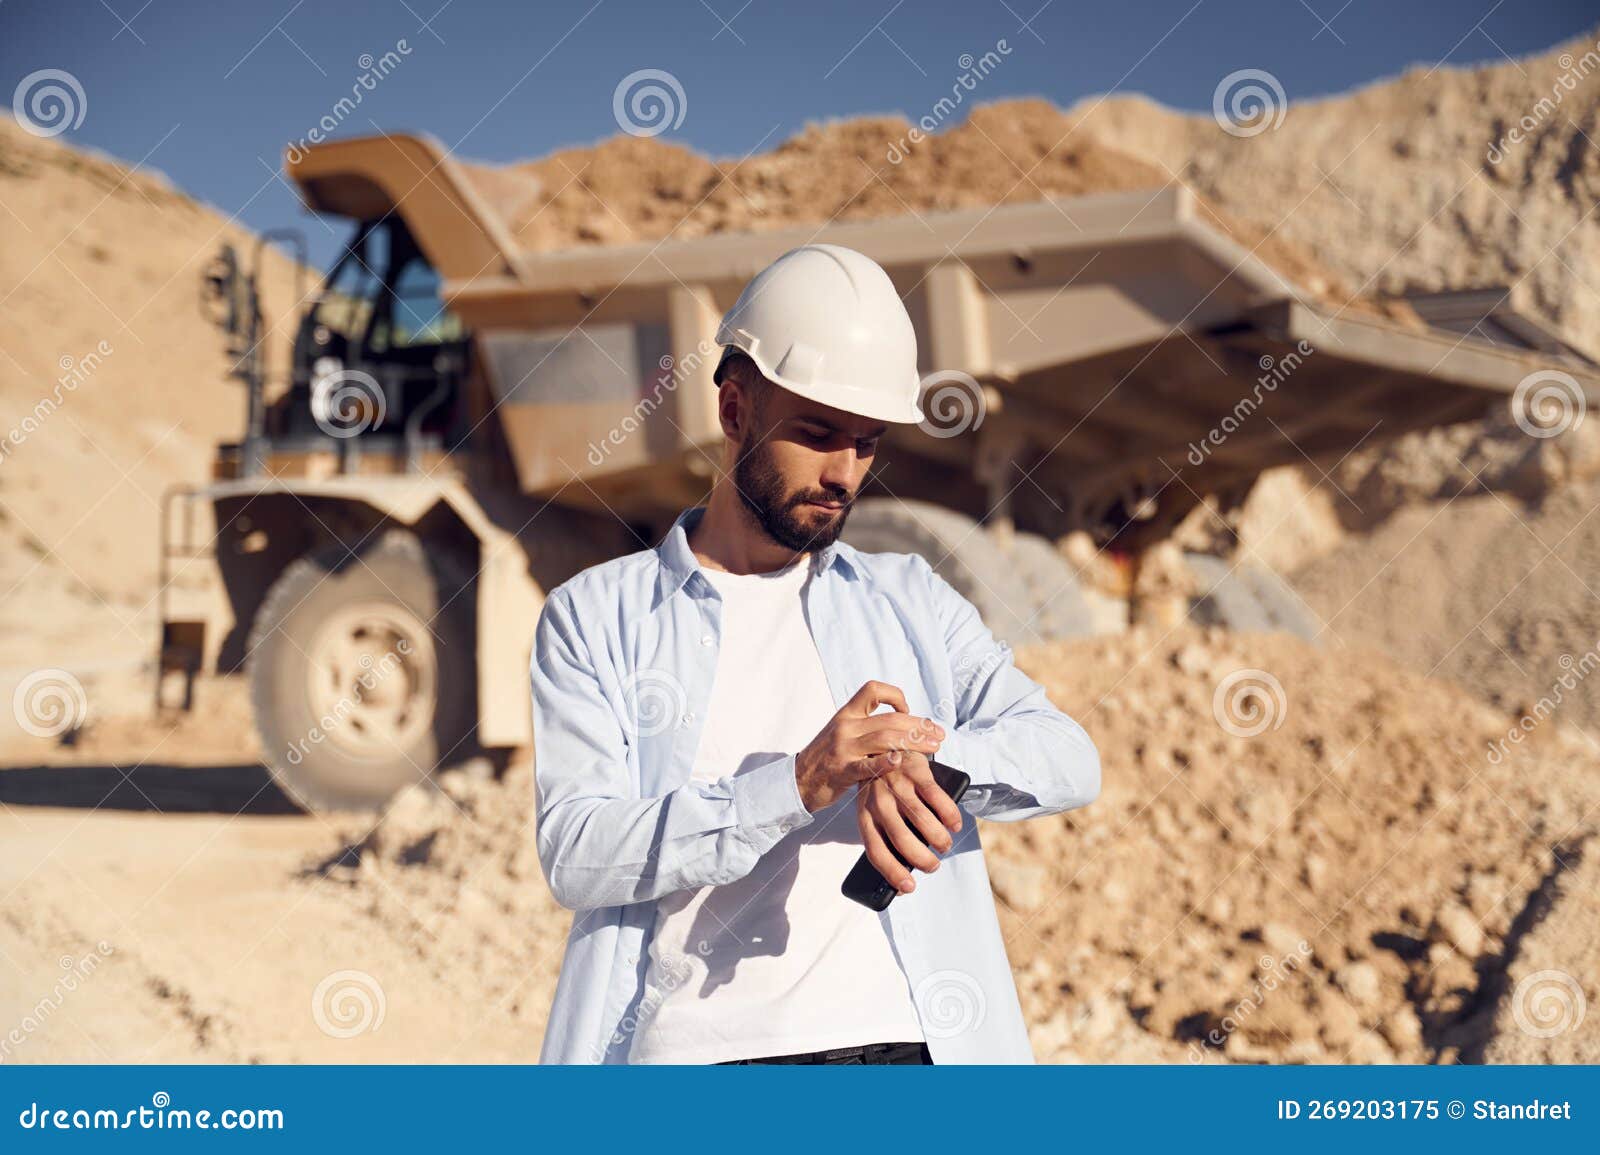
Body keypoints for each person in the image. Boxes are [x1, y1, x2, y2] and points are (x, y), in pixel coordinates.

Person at [530, 243, 1101, 1065]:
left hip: (906, 1047)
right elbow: (577, 853)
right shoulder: (594, 617)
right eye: (819, 433)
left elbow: (1070, 757)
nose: (844, 472)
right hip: (701, 1057)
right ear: (734, 413)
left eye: (867, 442)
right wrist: (796, 783)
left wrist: (925, 751)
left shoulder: (911, 598)